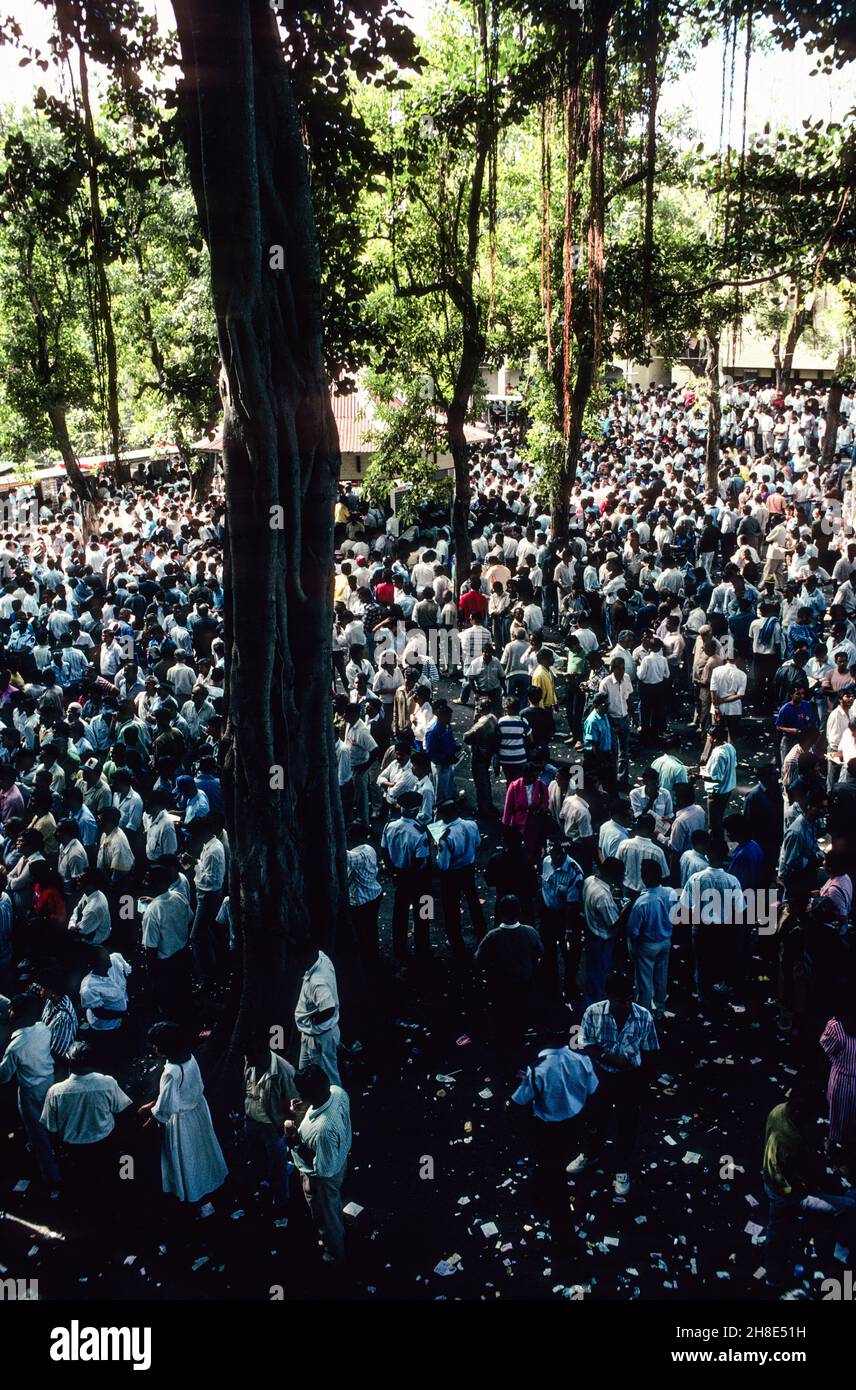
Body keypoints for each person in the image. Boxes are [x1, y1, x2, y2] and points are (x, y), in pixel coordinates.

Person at [569, 972, 659, 1196]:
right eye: (621, 1000)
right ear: (609, 996)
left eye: (630, 998)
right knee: (595, 1118)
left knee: (627, 1125)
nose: (627, 1004)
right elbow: (585, 1044)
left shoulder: (644, 1016)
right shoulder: (593, 1013)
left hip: (631, 1078)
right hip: (602, 1075)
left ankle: (622, 1170)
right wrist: (611, 1059)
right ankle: (590, 1154)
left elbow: (651, 1050)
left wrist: (643, 1082)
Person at [509, 1021, 598, 1241]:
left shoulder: (538, 1067)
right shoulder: (582, 1059)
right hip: (575, 1120)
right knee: (561, 1158)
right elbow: (593, 1088)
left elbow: (522, 1098)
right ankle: (550, 1190)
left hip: (548, 1126)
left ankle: (559, 1217)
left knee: (550, 1164)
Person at [762, 1082, 856, 1289]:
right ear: (800, 1111)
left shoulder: (779, 1110)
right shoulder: (790, 1142)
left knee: (777, 1228)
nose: (813, 1118)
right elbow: (808, 1181)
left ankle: (773, 1275)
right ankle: (778, 1274)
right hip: (789, 1194)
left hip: (772, 1180)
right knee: (849, 1206)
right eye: (811, 1115)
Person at [139, 1021, 228, 1205]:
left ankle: (192, 1193)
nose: (154, 1049)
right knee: (202, 1151)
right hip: (198, 1111)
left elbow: (166, 1108)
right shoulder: (190, 1059)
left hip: (182, 1121)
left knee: (187, 1157)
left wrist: (151, 1114)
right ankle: (207, 1186)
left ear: (165, 1048)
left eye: (156, 1046)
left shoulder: (171, 1072)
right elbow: (180, 1092)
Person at [41, 1041, 132, 1205]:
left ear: (69, 1061)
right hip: (105, 1142)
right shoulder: (107, 1083)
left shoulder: (55, 1092)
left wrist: (58, 1152)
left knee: (79, 1187)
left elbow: (51, 1128)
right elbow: (122, 1109)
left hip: (73, 1149)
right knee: (106, 1181)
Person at [285, 1063, 352, 1264]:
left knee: (326, 1216)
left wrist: (295, 1142)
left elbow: (322, 1169)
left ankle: (334, 1254)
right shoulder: (337, 1092)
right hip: (341, 1159)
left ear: (310, 1093)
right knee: (332, 1205)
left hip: (322, 1178)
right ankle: (336, 1232)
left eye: (303, 1093)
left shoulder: (322, 1130)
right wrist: (305, 1108)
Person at [0, 992, 60, 1185]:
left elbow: (4, 1076)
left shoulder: (15, 1046)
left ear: (18, 1015)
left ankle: (51, 1177)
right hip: (49, 1082)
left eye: (11, 1010)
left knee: (37, 1134)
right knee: (52, 1123)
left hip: (30, 1091)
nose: (8, 1012)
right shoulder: (42, 1028)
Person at [243, 1034, 298, 1207]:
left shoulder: (284, 1071)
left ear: (261, 1054)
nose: (246, 1060)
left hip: (271, 1126)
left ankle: (282, 1200)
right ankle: (268, 1182)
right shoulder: (250, 1061)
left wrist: (285, 1127)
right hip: (251, 1120)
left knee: (278, 1163)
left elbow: (294, 1104)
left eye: (249, 1057)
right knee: (259, 1157)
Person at [625, 860, 678, 1016]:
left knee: (644, 983)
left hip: (647, 945)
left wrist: (632, 950)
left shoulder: (641, 903)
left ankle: (644, 1014)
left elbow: (632, 931)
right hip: (665, 941)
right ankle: (660, 1010)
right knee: (661, 978)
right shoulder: (671, 893)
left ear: (644, 876)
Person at [436, 799, 485, 952]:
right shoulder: (471, 824)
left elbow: (443, 865)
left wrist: (438, 848)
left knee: (451, 907)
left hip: (452, 873)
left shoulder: (445, 837)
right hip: (468, 868)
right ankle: (481, 928)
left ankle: (455, 940)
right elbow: (477, 843)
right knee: (472, 899)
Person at [294, 941, 342, 1085]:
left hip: (320, 1038)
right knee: (303, 1073)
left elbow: (329, 1008)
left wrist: (315, 1019)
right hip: (310, 1034)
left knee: (328, 1079)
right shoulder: (322, 958)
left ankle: (338, 1104)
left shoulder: (317, 983)